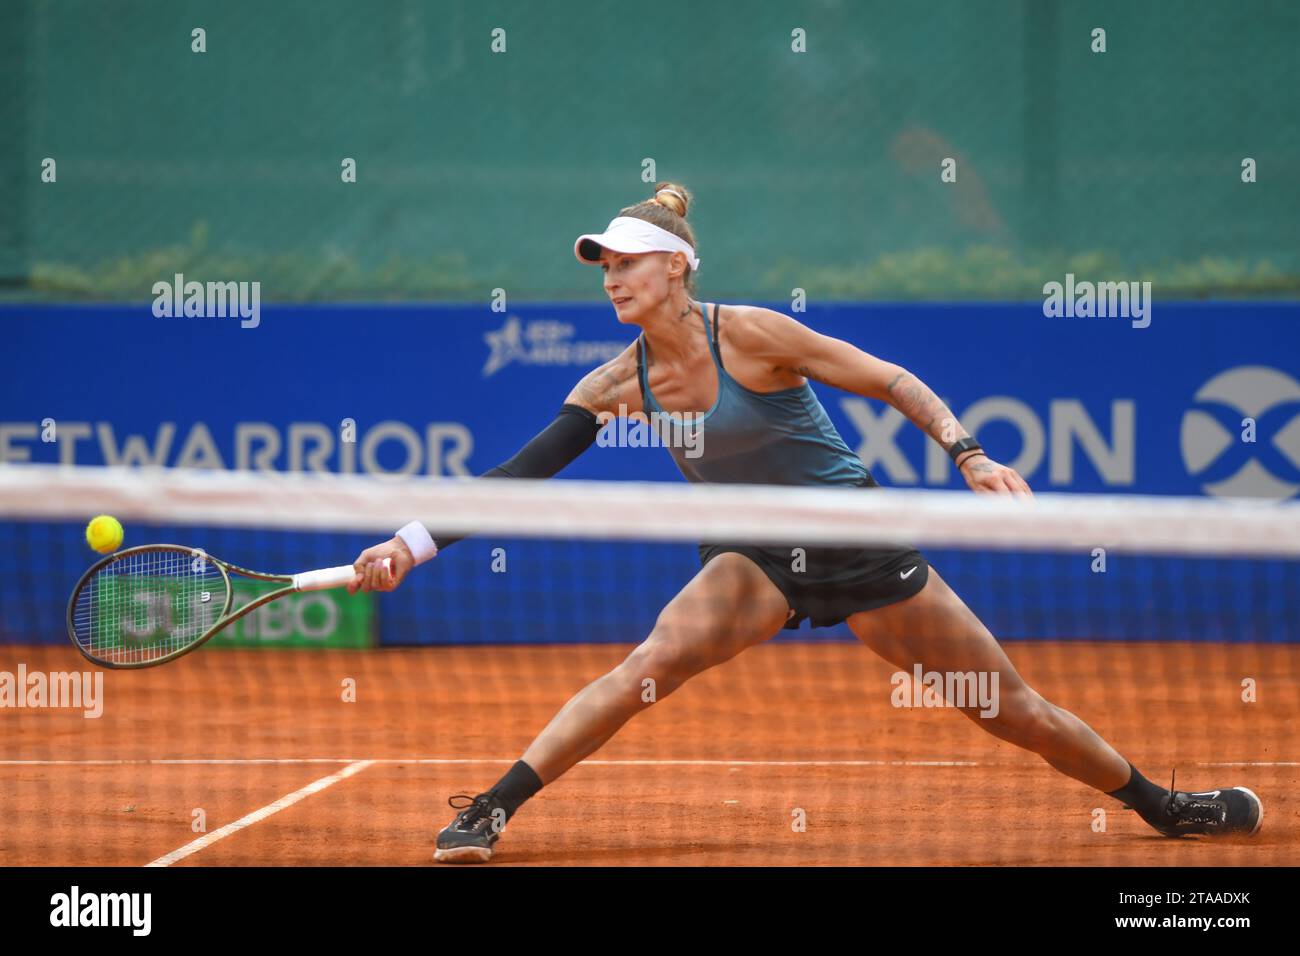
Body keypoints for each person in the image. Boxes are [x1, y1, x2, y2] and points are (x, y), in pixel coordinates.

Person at [349, 183, 1263, 863]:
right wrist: (410, 543)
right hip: (752, 552)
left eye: (627, 262)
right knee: (648, 668)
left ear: (675, 266)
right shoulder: (614, 384)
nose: (612, 279)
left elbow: (889, 379)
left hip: (851, 536)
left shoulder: (752, 335)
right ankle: (494, 808)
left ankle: (1161, 806)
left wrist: (969, 451)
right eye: (603, 267)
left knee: (1007, 708)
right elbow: (518, 477)